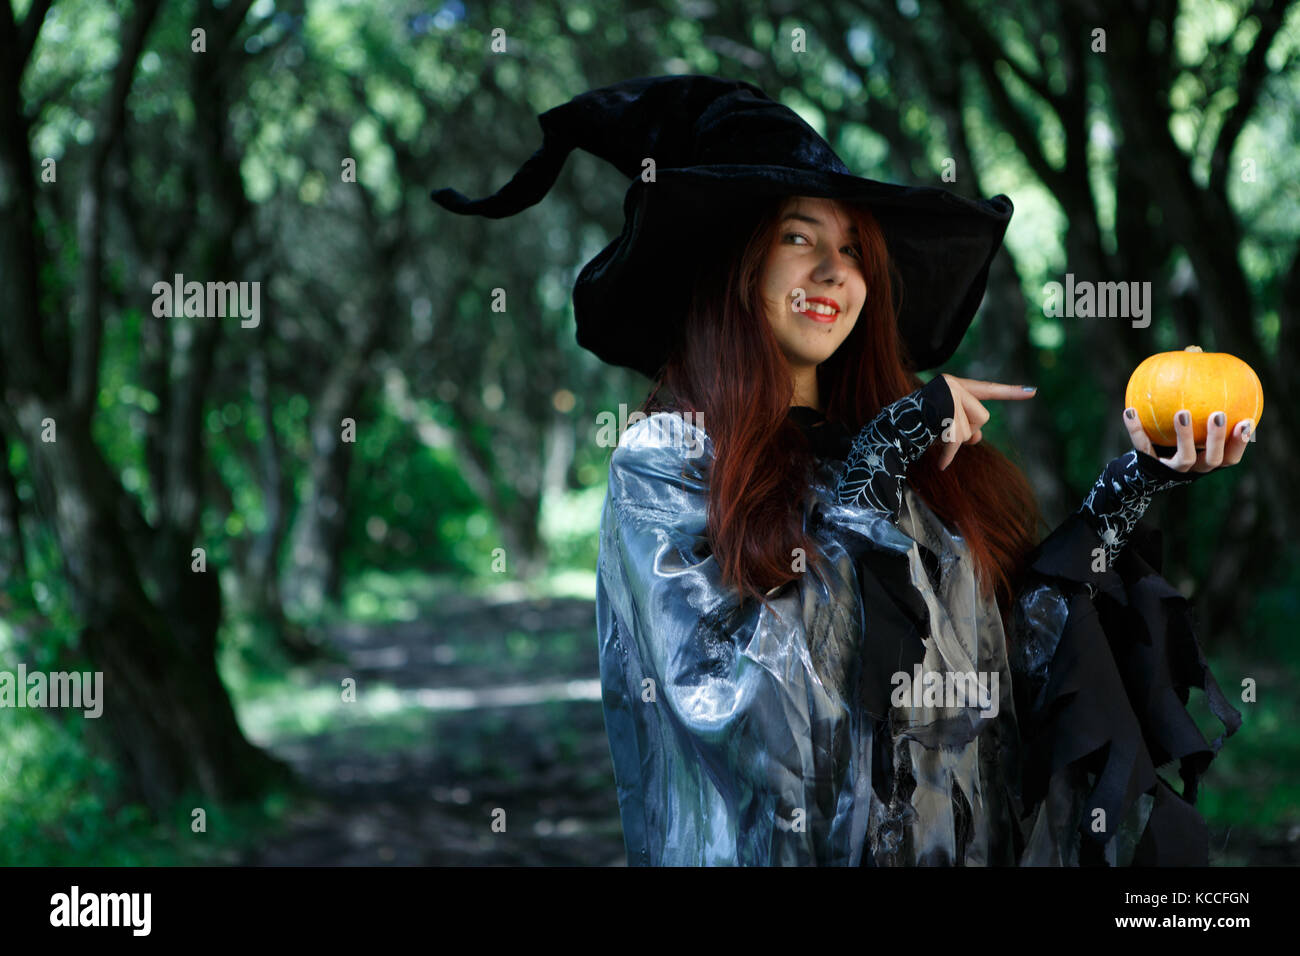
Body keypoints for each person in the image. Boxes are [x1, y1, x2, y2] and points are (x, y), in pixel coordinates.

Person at [432, 75, 1245, 866]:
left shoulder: (917, 456)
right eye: (799, 237)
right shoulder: (666, 465)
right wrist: (873, 475)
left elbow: (1003, 674)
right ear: (734, 264)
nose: (833, 271)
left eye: (854, 248)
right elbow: (759, 723)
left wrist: (1129, 491)